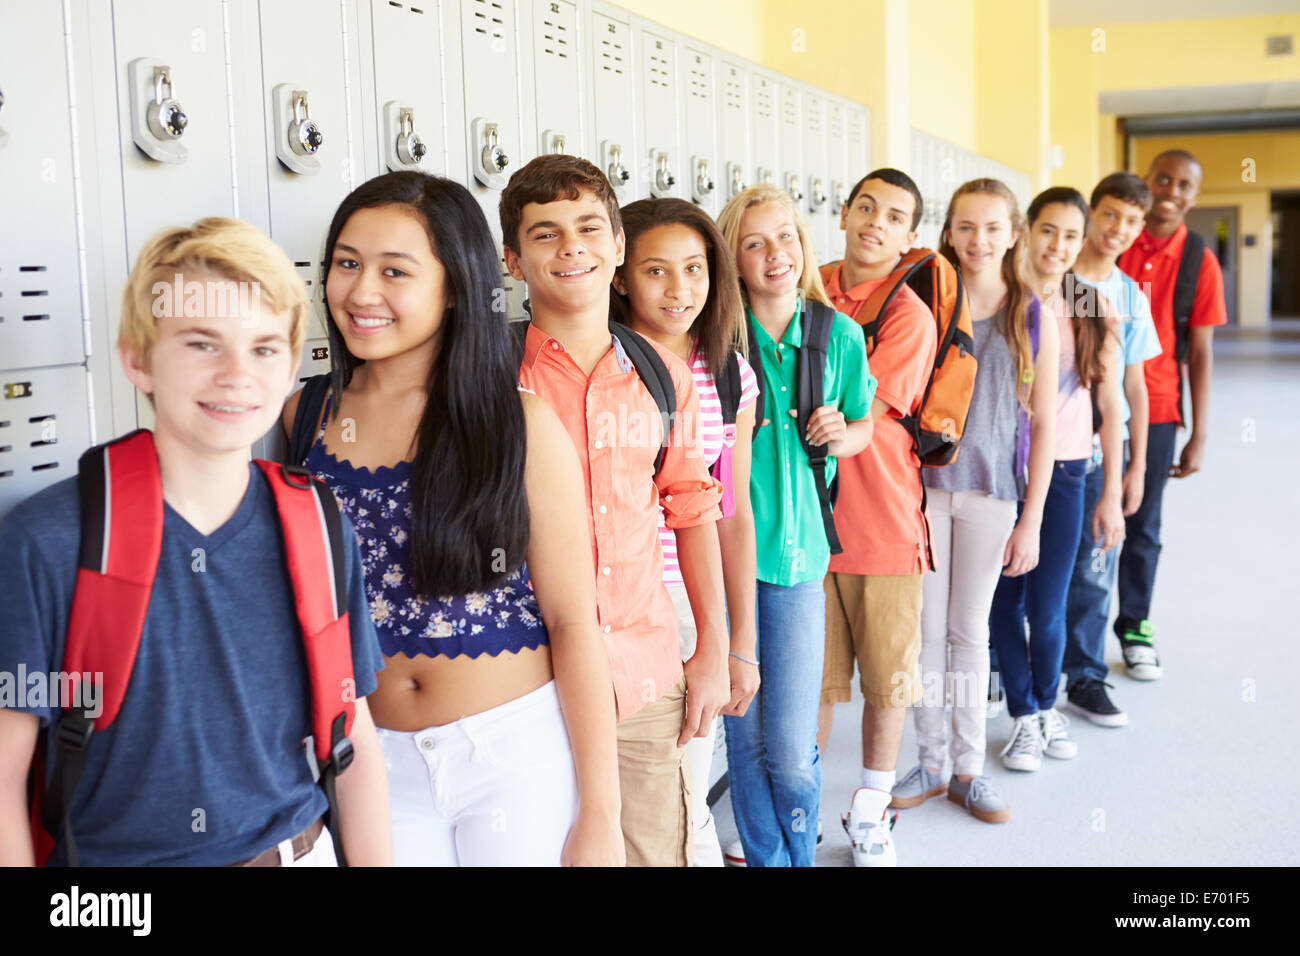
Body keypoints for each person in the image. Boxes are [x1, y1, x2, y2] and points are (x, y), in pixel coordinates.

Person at [0, 218, 391, 866]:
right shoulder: (46, 543)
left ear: (292, 364)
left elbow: (356, 741)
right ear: (137, 357)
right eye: (202, 344)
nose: (237, 374)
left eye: (265, 348)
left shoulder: (316, 521)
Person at [284, 172, 623, 866]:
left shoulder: (517, 423)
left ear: (457, 283)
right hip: (370, 762)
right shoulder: (305, 418)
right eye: (346, 264)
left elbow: (572, 623)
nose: (361, 291)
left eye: (394, 271)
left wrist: (603, 815)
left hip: (512, 756)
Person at [500, 154, 729, 867]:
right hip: (522, 676)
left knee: (651, 851)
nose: (571, 247)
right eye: (545, 234)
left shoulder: (664, 377)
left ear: (619, 247)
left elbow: (694, 510)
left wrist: (716, 647)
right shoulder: (490, 378)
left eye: (589, 227)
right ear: (512, 259)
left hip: (642, 670)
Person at [716, 183, 876, 867]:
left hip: (798, 557)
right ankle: (768, 859)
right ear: (734, 258)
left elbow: (865, 426)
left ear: (804, 243)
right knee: (742, 736)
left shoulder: (837, 333)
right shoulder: (718, 337)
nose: (774, 252)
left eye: (784, 236)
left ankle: (798, 856)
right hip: (724, 559)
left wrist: (845, 432)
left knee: (789, 744)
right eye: (753, 243)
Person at [893, 178, 1058, 824]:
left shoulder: (1033, 313)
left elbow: (1042, 424)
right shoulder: (924, 301)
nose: (978, 240)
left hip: (992, 494)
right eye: (966, 227)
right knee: (924, 634)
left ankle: (968, 769)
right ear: (948, 231)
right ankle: (930, 762)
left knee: (970, 632)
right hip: (925, 489)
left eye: (992, 228)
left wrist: (1033, 519)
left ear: (1013, 234)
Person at [610, 197, 761, 867]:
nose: (680, 290)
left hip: (686, 605)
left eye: (695, 269)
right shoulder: (602, 364)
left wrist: (735, 643)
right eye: (657, 271)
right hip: (606, 602)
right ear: (619, 274)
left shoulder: (729, 373)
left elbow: (732, 513)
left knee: (682, 797)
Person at [813, 168, 936, 866]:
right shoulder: (805, 285)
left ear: (909, 236)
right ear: (843, 210)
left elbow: (867, 415)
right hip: (802, 525)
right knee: (812, 682)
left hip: (882, 521)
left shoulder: (907, 316)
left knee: (887, 681)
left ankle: (871, 810)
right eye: (865, 206)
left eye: (893, 216)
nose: (875, 222)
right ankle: (797, 804)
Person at [990, 187, 1125, 772]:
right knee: (1000, 604)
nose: (1059, 245)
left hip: (1068, 472)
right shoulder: (999, 300)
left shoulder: (1092, 308)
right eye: (1049, 230)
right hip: (997, 473)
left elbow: (1112, 407)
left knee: (1048, 605)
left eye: (1072, 235)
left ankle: (1047, 705)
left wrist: (1114, 490)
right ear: (1026, 229)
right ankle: (1023, 715)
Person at [1113, 149, 1227, 680]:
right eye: (1163, 179)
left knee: (1143, 521)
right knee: (1079, 518)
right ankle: (1068, 631)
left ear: (1194, 196)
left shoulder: (1199, 259)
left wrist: (1199, 434)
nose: (1171, 191)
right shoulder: (1114, 239)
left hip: (1157, 408)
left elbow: (1200, 352)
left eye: (1184, 185)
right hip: (1093, 401)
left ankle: (1135, 625)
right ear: (1146, 181)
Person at [1062, 172, 1163, 724]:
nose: (1117, 229)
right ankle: (1009, 668)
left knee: (1095, 564)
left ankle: (1085, 677)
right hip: (1045, 446)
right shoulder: (1051, 277)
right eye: (1109, 215)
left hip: (1103, 450)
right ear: (1091, 212)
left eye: (1131, 221)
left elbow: (1134, 387)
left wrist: (1138, 466)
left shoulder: (1128, 296)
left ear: (1140, 228)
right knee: (1027, 561)